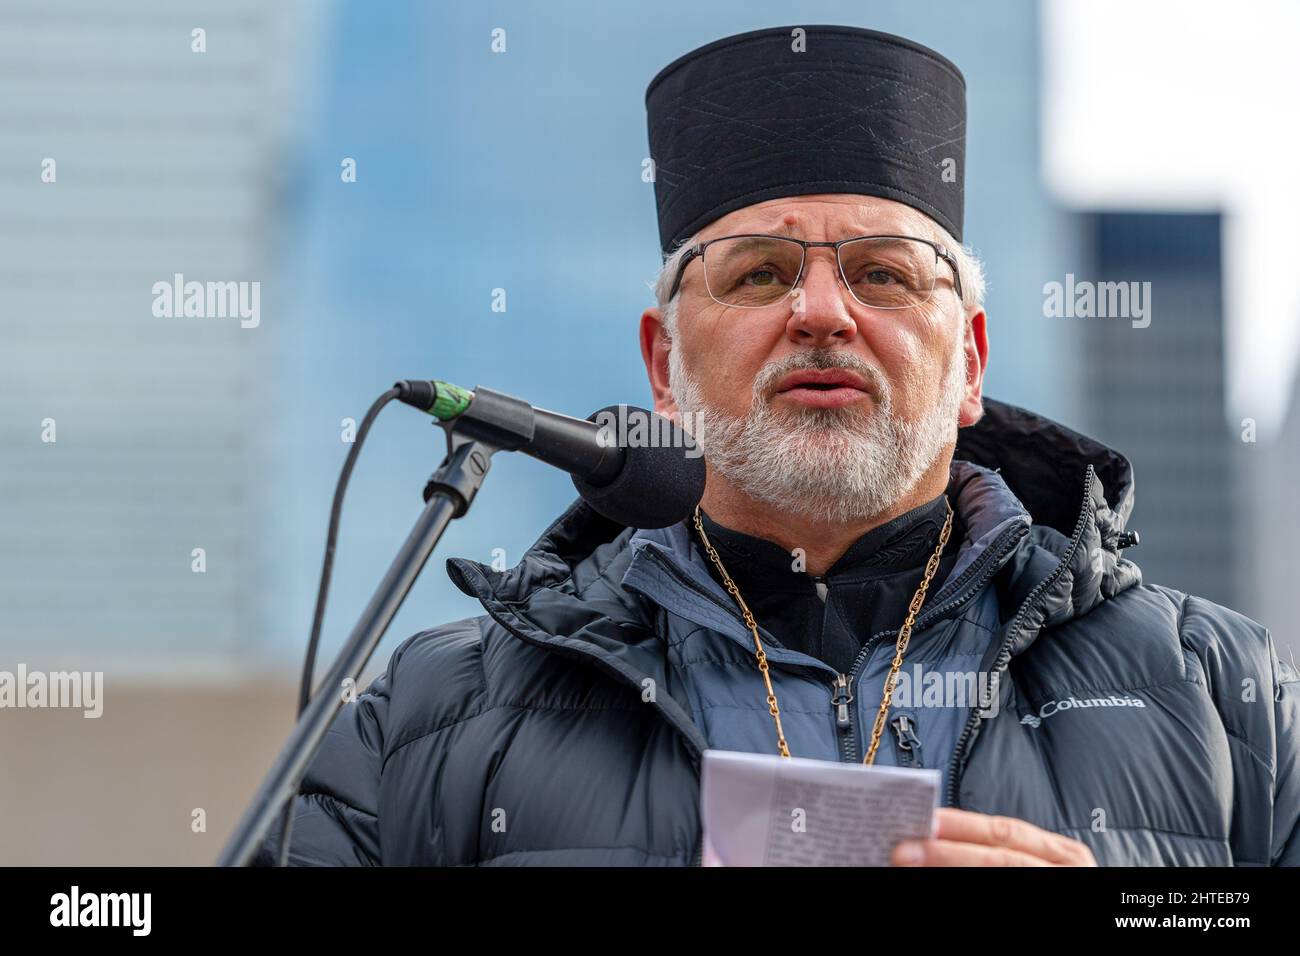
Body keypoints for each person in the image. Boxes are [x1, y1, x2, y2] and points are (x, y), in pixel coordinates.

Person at [255, 24, 1298, 866]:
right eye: (756, 273)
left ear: (971, 360)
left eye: (883, 274)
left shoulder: (1218, 692)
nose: (819, 311)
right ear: (662, 363)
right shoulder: (431, 718)